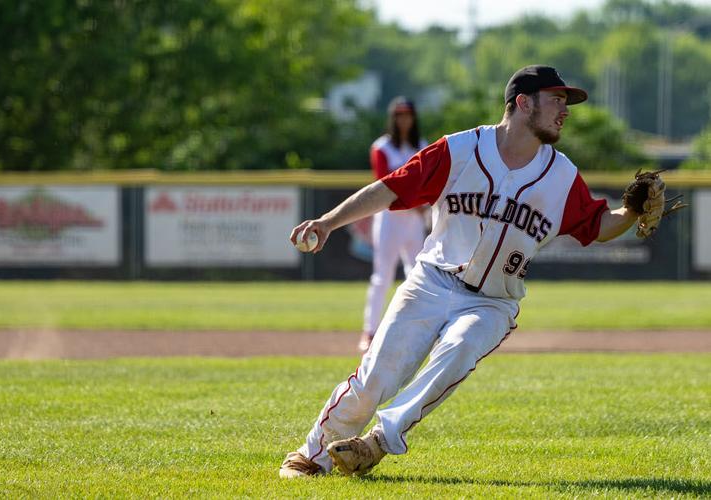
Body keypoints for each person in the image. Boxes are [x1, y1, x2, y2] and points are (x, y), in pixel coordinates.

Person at [279, 65, 651, 478]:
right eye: (556, 99)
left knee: (458, 350)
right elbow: (392, 188)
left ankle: (379, 442)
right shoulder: (460, 150)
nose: (565, 110)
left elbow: (596, 226)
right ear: (522, 102)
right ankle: (312, 455)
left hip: (493, 301)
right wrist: (328, 222)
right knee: (374, 378)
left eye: (567, 102)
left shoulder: (561, 175)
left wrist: (631, 211)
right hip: (432, 281)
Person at [360, 97, 430, 352]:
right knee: (382, 276)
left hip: (414, 220)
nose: (404, 119)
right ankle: (370, 331)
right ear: (393, 118)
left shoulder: (421, 145)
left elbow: (425, 181)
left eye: (407, 114)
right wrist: (418, 203)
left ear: (413, 118)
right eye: (399, 115)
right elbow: (383, 183)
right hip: (389, 218)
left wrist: (421, 205)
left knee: (417, 274)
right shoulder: (382, 147)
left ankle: (415, 332)